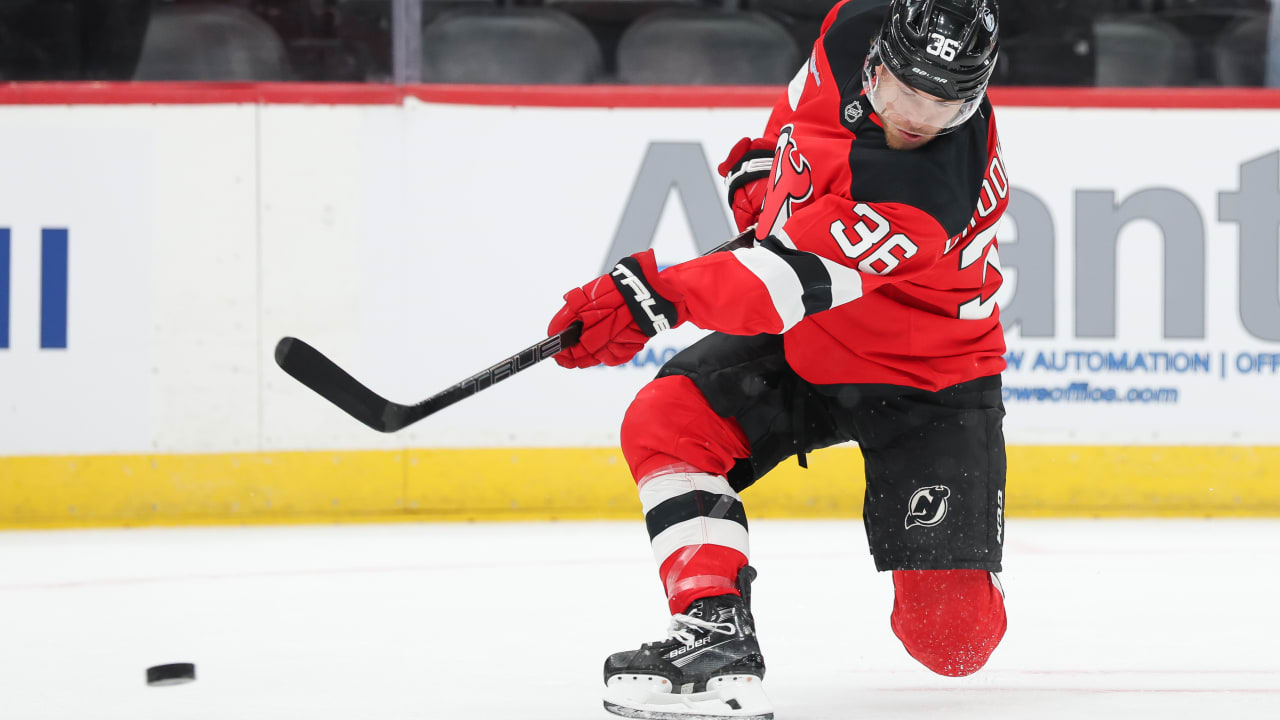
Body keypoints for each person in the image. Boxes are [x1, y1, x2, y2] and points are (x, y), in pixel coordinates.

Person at [546, 1, 1009, 717]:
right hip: (815, 343)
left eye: (944, 106)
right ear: (877, 60)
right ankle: (712, 624)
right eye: (902, 93)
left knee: (951, 642)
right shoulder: (853, 25)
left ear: (973, 99)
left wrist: (652, 296)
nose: (916, 119)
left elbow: (778, 285)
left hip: (929, 379)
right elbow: (801, 116)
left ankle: (967, 556)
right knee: (668, 419)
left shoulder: (926, 194)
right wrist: (770, 167)